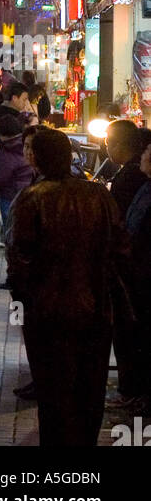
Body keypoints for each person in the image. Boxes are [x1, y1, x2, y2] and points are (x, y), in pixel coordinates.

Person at [7, 127, 128, 445]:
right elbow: (120, 249)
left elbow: (20, 261)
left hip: (48, 314)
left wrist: (24, 304)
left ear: (34, 157)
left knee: (54, 395)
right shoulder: (99, 195)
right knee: (89, 390)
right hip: (96, 310)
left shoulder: (32, 198)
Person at [106, 120, 150, 407]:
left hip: (137, 274)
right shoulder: (139, 180)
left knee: (131, 333)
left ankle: (133, 389)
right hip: (134, 270)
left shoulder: (130, 178)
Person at [0, 112, 34, 243]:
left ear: (1, 133)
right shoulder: (25, 143)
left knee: (12, 230)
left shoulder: (7, 152)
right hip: (28, 192)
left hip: (10, 195)